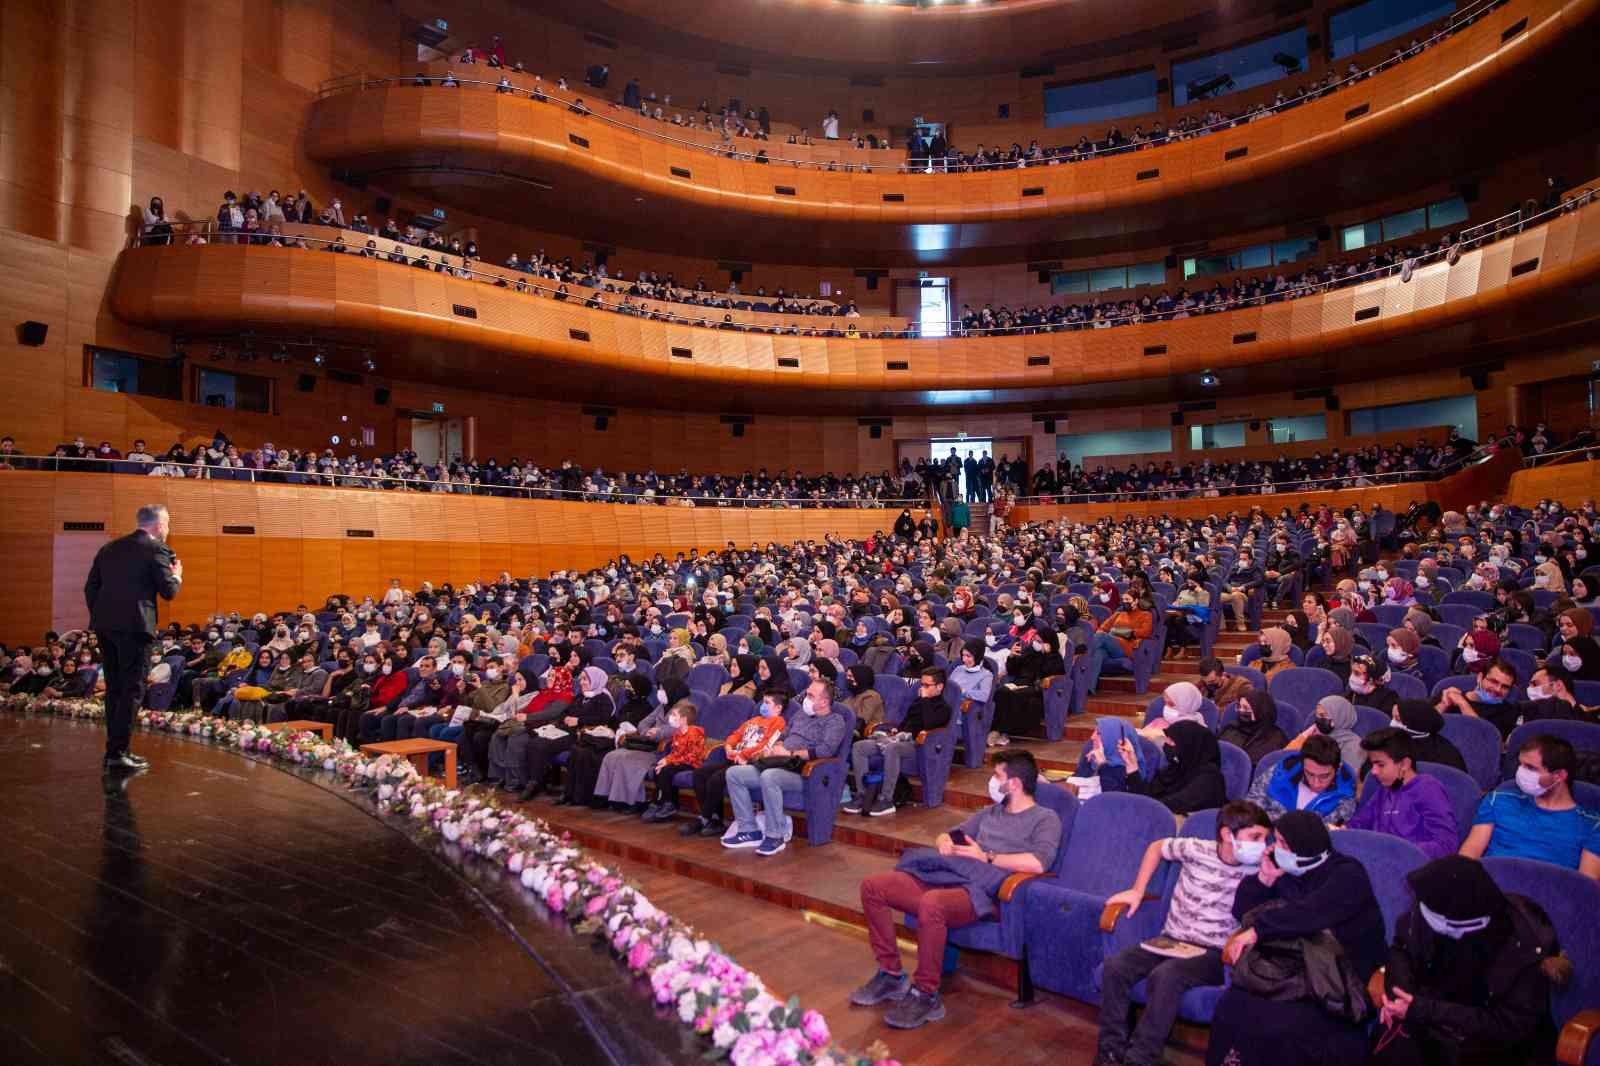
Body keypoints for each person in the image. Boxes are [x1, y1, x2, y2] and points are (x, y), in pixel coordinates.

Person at [853, 751, 1062, 1030]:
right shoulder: (990, 812)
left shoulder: (1045, 818)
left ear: (1014, 783)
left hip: (987, 892)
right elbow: (948, 833)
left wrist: (986, 857)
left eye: (997, 775)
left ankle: (926, 993)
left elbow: (1038, 863)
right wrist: (944, 842)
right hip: (952, 876)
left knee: (932, 903)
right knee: (873, 887)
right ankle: (890, 974)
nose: (993, 781)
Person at [1097, 801, 1273, 1066]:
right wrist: (1137, 890)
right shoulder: (1196, 848)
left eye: (1264, 838)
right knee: (1115, 967)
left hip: (1213, 953)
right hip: (1170, 941)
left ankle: (1140, 1059)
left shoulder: (1261, 869)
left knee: (1166, 976)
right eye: (1255, 837)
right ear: (1227, 834)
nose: (1261, 845)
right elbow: (1156, 847)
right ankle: (1109, 1054)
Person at [1206, 811, 1388, 1066]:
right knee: (1232, 1006)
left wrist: (1258, 930)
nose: (1274, 848)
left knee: (1279, 1023)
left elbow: (1312, 912)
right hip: (1290, 973)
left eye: (1282, 842)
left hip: (1339, 980)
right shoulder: (1288, 871)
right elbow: (1242, 912)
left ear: (1303, 845)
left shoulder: (1348, 874)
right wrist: (1265, 878)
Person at [1372, 855, 1565, 1066]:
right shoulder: (1435, 904)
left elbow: (1504, 1026)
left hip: (1493, 1047)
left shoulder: (1525, 951)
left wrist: (1422, 1009)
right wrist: (1401, 996)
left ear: (1454, 928)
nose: (1418, 910)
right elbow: (1402, 947)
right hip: (1433, 1022)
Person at [84, 504, 182, 772]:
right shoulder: (157, 549)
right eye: (168, 523)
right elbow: (169, 591)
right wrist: (177, 575)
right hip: (136, 628)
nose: (168, 528)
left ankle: (115, 751)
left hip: (105, 627)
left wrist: (103, 615)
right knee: (133, 689)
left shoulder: (109, 549)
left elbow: (91, 588)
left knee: (115, 689)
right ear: (159, 525)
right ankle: (117, 753)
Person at [723, 680, 850, 855]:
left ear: (824, 702)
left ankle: (775, 836)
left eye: (811, 696)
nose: (805, 698)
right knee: (734, 774)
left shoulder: (834, 721)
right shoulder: (801, 715)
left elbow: (825, 750)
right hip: (779, 762)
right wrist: (775, 748)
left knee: (770, 776)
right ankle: (748, 830)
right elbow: (783, 735)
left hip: (804, 772)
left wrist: (790, 753)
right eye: (806, 694)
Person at [1459, 734, 1600, 878]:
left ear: (1559, 776)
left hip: (1548, 890)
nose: (1521, 772)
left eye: (1530, 768)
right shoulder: (1497, 800)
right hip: (1491, 885)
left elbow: (1586, 884)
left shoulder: (1593, 826)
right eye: (1521, 764)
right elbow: (1470, 853)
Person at [679, 690, 787, 839]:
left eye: (767, 703)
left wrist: (742, 754)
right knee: (699, 774)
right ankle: (714, 820)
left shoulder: (779, 722)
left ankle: (704, 817)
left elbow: (766, 745)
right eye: (763, 701)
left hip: (748, 762)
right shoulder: (754, 720)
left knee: (716, 779)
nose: (763, 705)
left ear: (778, 708)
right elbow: (736, 735)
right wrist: (729, 746)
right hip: (734, 758)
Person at [845, 667, 953, 816]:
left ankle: (886, 799)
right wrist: (896, 731)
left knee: (893, 748)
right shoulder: (918, 701)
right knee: (859, 746)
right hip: (901, 738)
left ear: (939, 687)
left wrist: (925, 700)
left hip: (920, 745)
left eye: (927, 685)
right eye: (922, 684)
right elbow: (907, 721)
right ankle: (862, 795)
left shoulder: (944, 708)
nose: (922, 688)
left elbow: (929, 724)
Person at [1346, 728, 1459, 858]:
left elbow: (1447, 844)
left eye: (1380, 765)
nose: (1374, 771)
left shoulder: (1428, 789)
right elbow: (1360, 823)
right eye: (1372, 764)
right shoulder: (1385, 789)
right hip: (1381, 860)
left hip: (1411, 864)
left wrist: (1397, 851)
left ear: (1405, 764)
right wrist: (1343, 830)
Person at [1093, 719, 1227, 815]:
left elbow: (1159, 807)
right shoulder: (1174, 769)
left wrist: (1106, 768)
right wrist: (1132, 766)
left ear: (1190, 747)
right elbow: (1145, 796)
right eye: (1166, 741)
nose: (1166, 746)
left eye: (1172, 742)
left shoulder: (1209, 779)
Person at [1245, 734, 1358, 824]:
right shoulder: (1282, 770)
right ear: (1302, 763)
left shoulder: (1345, 797)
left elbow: (1329, 836)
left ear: (1338, 769)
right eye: (1310, 774)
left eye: (1324, 776)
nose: (1315, 783)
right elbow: (1251, 806)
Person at [1285, 694, 1364, 773]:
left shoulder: (1354, 745)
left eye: (1323, 715)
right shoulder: (1316, 736)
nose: (1318, 720)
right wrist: (1304, 736)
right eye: (1317, 715)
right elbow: (1284, 757)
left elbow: (1348, 776)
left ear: (1339, 716)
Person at [1388, 699, 1468, 774]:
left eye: (1398, 719)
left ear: (1413, 722)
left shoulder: (1446, 754)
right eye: (1392, 717)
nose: (1392, 723)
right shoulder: (1393, 741)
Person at [1218, 687, 1288, 766]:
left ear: (1260, 712)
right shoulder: (1231, 727)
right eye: (1239, 706)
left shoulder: (1275, 740)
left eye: (1246, 708)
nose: (1241, 711)